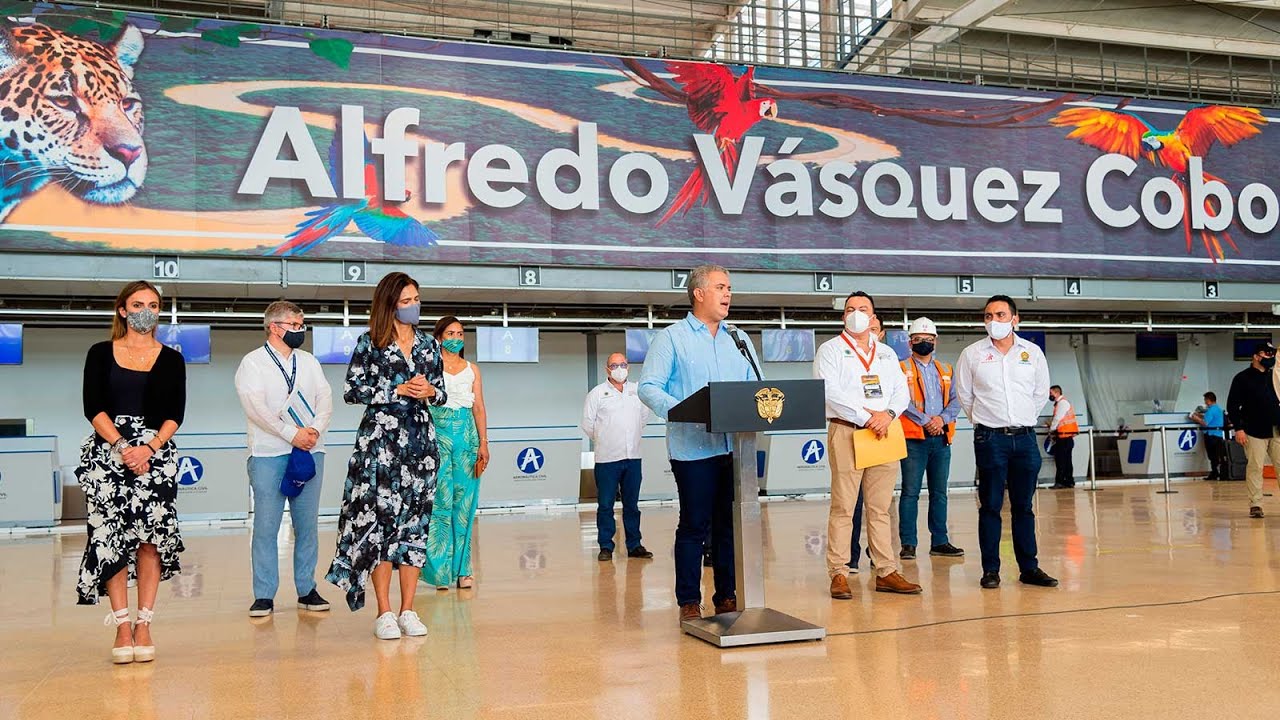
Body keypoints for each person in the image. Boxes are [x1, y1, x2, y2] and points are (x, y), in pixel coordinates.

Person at [326, 272, 448, 640]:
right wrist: (395, 388)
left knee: (414, 527)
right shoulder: (371, 342)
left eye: (417, 298)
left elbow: (441, 393)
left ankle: (409, 609)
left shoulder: (429, 345)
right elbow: (352, 390)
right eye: (407, 300)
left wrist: (428, 390)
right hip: (379, 446)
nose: (414, 305)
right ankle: (384, 612)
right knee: (380, 526)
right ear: (391, 304)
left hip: (421, 447)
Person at [639, 264, 762, 624]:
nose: (728, 294)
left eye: (729, 288)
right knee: (695, 524)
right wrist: (681, 411)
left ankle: (726, 595)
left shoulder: (738, 338)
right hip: (693, 449)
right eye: (721, 287)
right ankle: (689, 601)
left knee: (728, 524)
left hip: (734, 449)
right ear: (699, 293)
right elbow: (648, 387)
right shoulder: (672, 338)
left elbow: (758, 386)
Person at [76, 280, 186, 664]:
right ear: (122, 310)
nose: (146, 311)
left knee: (151, 540)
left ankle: (145, 623)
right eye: (138, 304)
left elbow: (176, 414)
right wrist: (123, 447)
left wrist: (149, 448)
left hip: (156, 455)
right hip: (110, 453)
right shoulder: (100, 353)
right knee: (112, 540)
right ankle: (122, 626)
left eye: (153, 305)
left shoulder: (172, 358)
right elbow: (93, 407)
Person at [817, 291, 920, 599]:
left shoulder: (887, 353)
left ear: (873, 318)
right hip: (848, 431)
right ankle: (839, 572)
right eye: (850, 309)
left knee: (880, 508)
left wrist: (887, 415)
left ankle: (886, 570)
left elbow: (901, 392)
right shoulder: (831, 350)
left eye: (863, 309)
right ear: (843, 316)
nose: (856, 313)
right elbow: (829, 392)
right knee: (844, 507)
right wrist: (865, 417)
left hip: (883, 432)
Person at [234, 300, 334, 618]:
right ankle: (264, 594)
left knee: (308, 526)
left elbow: (325, 398)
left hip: (310, 451)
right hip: (269, 454)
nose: (300, 330)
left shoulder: (308, 362)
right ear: (274, 327)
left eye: (301, 324)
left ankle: (307, 589)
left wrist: (313, 430)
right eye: (294, 324)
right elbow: (256, 408)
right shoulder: (252, 364)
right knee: (267, 526)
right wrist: (292, 434)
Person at [954, 295, 1058, 590]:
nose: (993, 321)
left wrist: (1020, 418)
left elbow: (1039, 395)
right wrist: (987, 420)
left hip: (1025, 438)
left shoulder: (1033, 353)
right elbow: (965, 396)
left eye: (1000, 315)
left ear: (1015, 319)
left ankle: (1029, 568)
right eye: (988, 316)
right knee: (990, 506)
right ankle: (991, 570)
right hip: (990, 439)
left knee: (1024, 507)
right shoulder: (972, 354)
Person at [422, 316, 490, 590]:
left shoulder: (472, 369)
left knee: (464, 506)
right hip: (436, 435)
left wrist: (484, 442)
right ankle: (439, 572)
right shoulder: (428, 367)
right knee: (439, 504)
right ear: (438, 337)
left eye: (460, 333)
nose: (456, 338)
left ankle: (463, 570)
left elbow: (479, 408)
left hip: (467, 438)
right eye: (450, 333)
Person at [897, 317, 964, 560]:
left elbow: (957, 400)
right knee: (910, 492)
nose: (923, 342)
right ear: (910, 342)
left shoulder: (946, 369)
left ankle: (940, 541)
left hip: (941, 439)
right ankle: (908, 544)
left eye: (928, 339)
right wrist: (926, 420)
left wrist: (941, 420)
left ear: (935, 341)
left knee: (939, 493)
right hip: (914, 439)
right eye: (918, 339)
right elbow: (901, 401)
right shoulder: (900, 368)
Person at [582, 352, 653, 562]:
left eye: (623, 364)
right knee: (605, 505)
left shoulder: (637, 391)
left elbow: (643, 419)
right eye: (614, 365)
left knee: (632, 505)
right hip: (607, 459)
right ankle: (606, 546)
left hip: (633, 458)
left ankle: (634, 545)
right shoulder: (597, 394)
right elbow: (588, 424)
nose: (619, 369)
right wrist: (605, 438)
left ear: (628, 367)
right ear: (607, 369)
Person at [1227, 341, 1280, 518]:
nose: (1270, 357)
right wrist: (1238, 429)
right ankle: (1256, 504)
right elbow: (1233, 406)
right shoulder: (1242, 378)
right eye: (1266, 354)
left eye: (1272, 354)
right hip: (1254, 430)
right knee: (1255, 467)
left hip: (1276, 428)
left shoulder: (1275, 377)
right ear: (1256, 356)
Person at [1046, 385, 1079, 489]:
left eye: (1050, 393)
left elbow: (1057, 419)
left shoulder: (1062, 403)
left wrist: (1051, 429)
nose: (1049, 395)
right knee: (1067, 460)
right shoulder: (1062, 403)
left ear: (1056, 393)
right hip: (1067, 436)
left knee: (1061, 460)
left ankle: (1060, 482)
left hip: (1063, 436)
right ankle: (1069, 481)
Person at [1191, 392, 1227, 480]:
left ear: (1208, 400)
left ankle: (1214, 473)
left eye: (1205, 400)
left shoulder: (1211, 410)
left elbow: (1205, 423)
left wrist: (1195, 418)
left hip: (1211, 435)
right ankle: (1219, 473)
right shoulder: (1218, 409)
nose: (1205, 402)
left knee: (1212, 455)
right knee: (1217, 455)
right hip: (1218, 435)